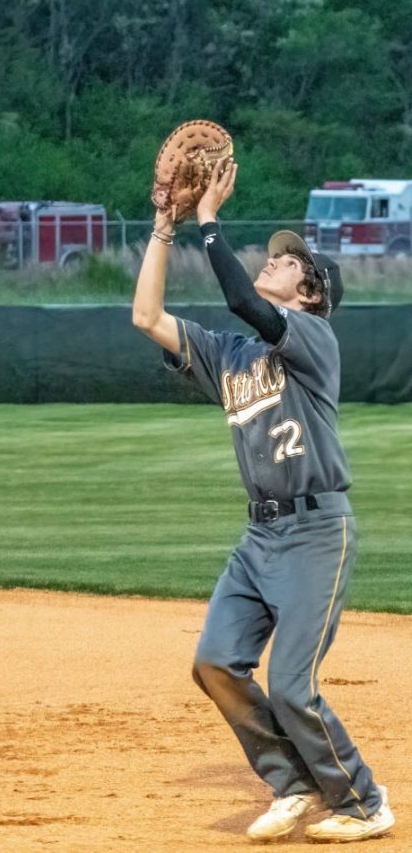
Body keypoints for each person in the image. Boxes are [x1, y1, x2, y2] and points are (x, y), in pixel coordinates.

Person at [132, 162, 394, 843]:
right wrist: (165, 229)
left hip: (316, 533)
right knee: (215, 662)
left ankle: (363, 799)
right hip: (259, 540)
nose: (272, 263)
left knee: (291, 684)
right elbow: (146, 316)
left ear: (308, 295)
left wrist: (210, 220)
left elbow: (246, 303)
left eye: (286, 263)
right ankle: (295, 783)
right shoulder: (230, 356)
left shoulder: (311, 338)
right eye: (274, 257)